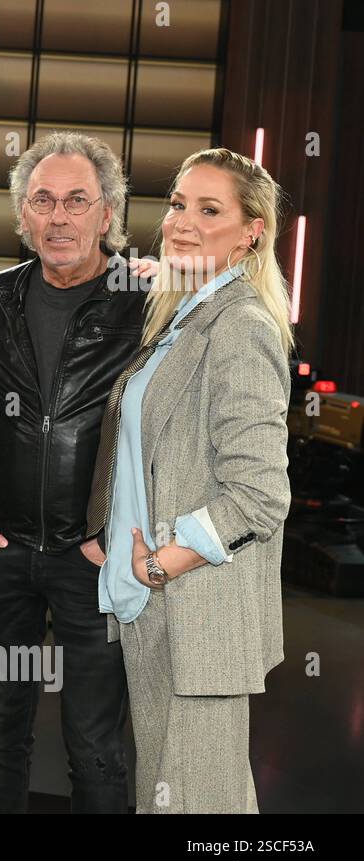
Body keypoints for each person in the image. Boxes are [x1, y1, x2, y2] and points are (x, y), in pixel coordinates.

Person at [0, 132, 146, 813]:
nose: (59, 217)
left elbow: (165, 438)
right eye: (43, 201)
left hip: (97, 562)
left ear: (107, 213)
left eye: (77, 200)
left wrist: (117, 531)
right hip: (2, 557)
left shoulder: (147, 303)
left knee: (96, 744)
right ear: (22, 215)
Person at [86, 148, 291, 813]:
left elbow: (260, 496)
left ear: (251, 230)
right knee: (169, 801)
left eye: (210, 209)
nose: (183, 220)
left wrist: (161, 565)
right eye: (178, 203)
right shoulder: (183, 318)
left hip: (197, 610)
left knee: (199, 810)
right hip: (159, 609)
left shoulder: (241, 327)